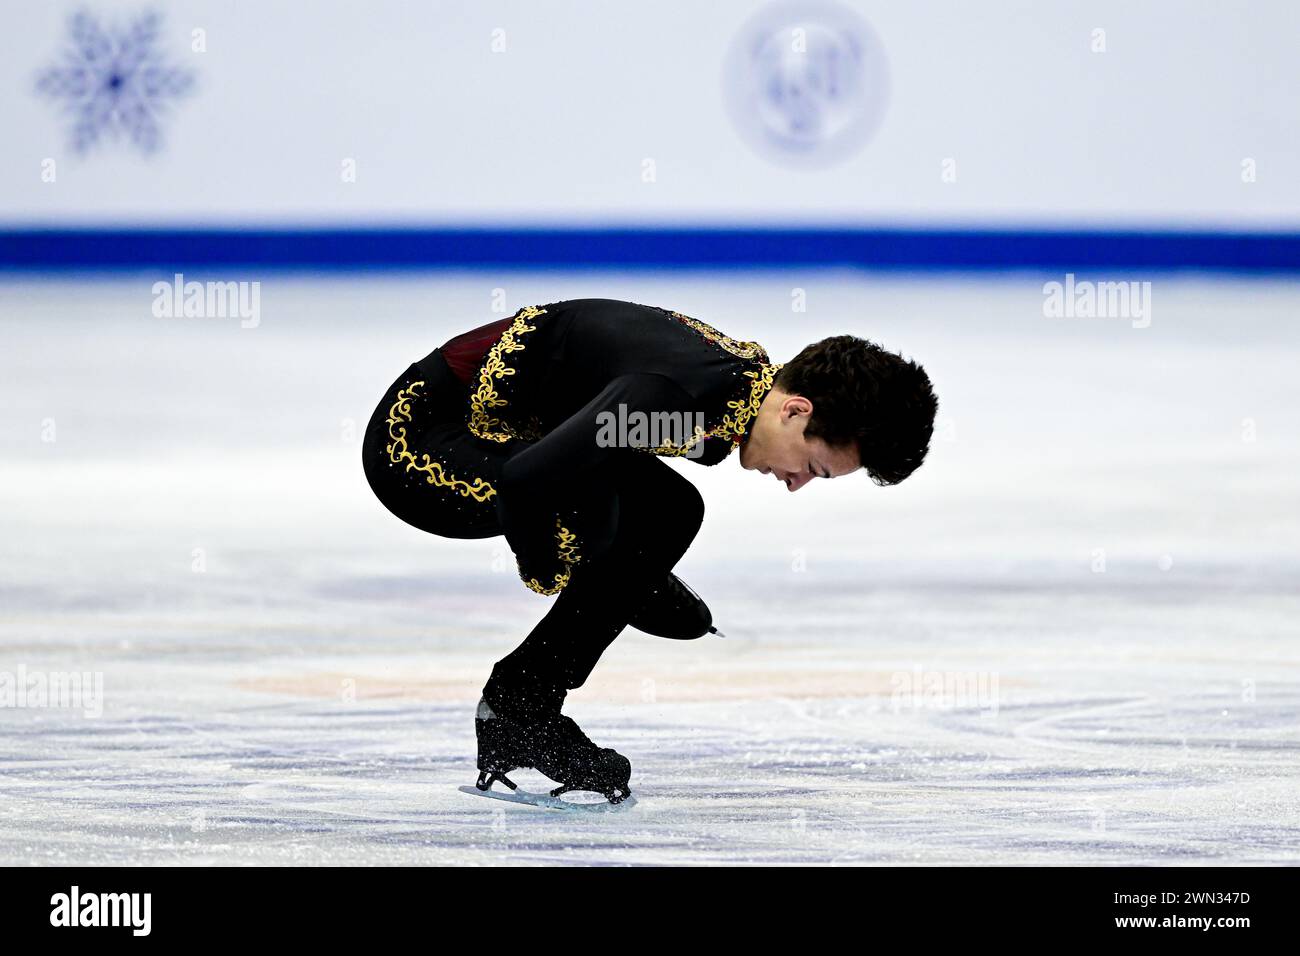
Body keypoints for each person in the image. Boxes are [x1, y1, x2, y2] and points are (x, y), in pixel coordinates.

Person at [361, 298, 938, 802]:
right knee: (627, 514)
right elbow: (526, 484)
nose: (796, 484)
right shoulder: (670, 398)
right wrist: (556, 569)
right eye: (812, 467)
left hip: (517, 441)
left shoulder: (728, 398)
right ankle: (520, 712)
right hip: (418, 446)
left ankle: (562, 647)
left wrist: (625, 577)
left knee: (671, 511)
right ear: (795, 410)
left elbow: (610, 444)